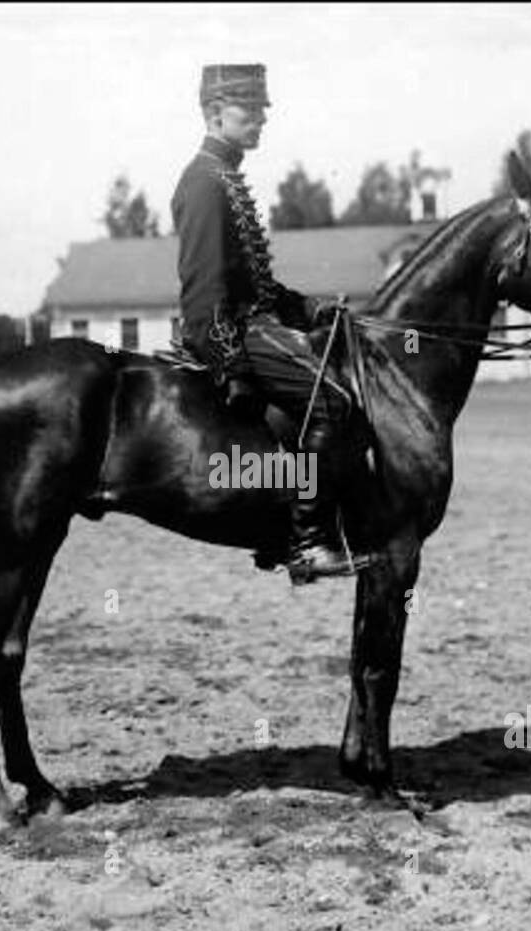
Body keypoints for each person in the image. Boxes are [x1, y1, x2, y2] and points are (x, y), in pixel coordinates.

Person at [171, 63, 364, 584]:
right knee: (333, 401)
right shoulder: (204, 184)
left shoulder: (224, 177)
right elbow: (205, 291)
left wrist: (312, 311)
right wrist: (230, 363)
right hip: (235, 331)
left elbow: (254, 283)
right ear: (215, 113)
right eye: (249, 110)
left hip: (252, 321)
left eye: (262, 111)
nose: (260, 120)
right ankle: (308, 541)